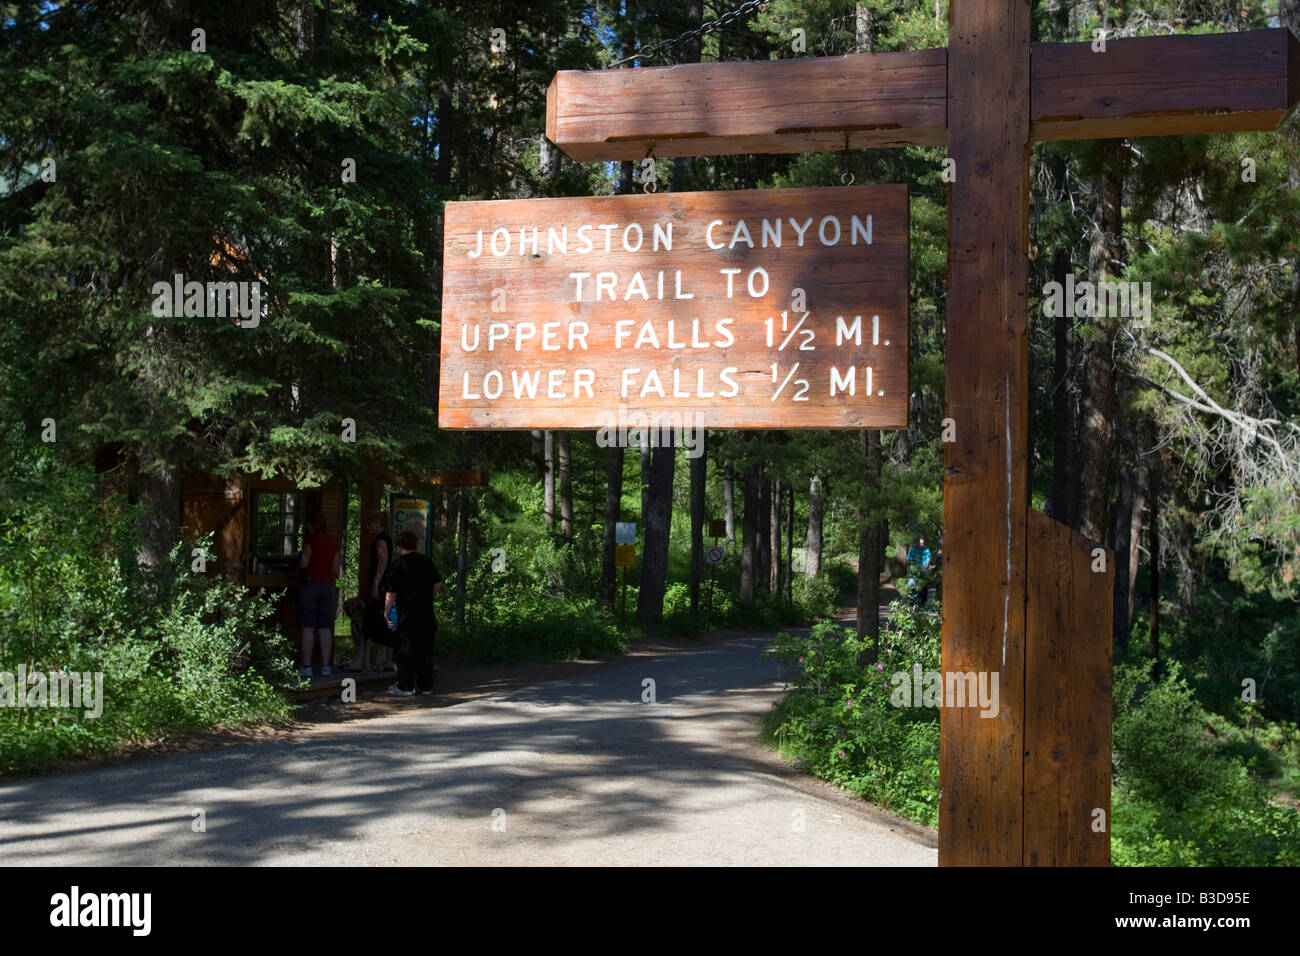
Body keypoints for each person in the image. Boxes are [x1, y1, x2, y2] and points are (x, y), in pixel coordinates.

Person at [382, 530, 443, 696]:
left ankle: (405, 686)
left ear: (399, 546)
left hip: (406, 614)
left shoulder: (398, 565)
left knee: (405, 649)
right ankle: (426, 686)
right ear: (415, 544)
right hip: (426, 612)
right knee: (425, 649)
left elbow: (391, 592)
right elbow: (437, 583)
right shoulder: (426, 562)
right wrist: (425, 595)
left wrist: (387, 611)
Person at [344, 510, 393, 673]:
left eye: (368, 523)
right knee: (380, 620)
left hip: (381, 586)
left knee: (375, 621)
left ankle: (374, 660)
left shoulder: (380, 540)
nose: (367, 527)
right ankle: (378, 660)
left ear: (377, 523)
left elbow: (382, 561)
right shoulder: (382, 538)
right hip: (382, 584)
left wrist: (375, 583)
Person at [297, 513, 341, 678]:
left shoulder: (311, 541)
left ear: (312, 526)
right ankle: (326, 667)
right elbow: (336, 570)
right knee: (324, 628)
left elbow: (304, 563)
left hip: (311, 585)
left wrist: (301, 558)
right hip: (328, 587)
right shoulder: (332, 543)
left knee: (308, 627)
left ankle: (307, 666)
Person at [906, 536, 933, 607]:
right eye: (920, 543)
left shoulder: (926, 550)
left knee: (923, 586)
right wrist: (912, 568)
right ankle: (911, 601)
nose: (922, 544)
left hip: (923, 570)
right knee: (911, 584)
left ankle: (922, 603)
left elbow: (928, 560)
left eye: (923, 543)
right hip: (914, 571)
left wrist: (925, 568)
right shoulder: (912, 550)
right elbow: (908, 560)